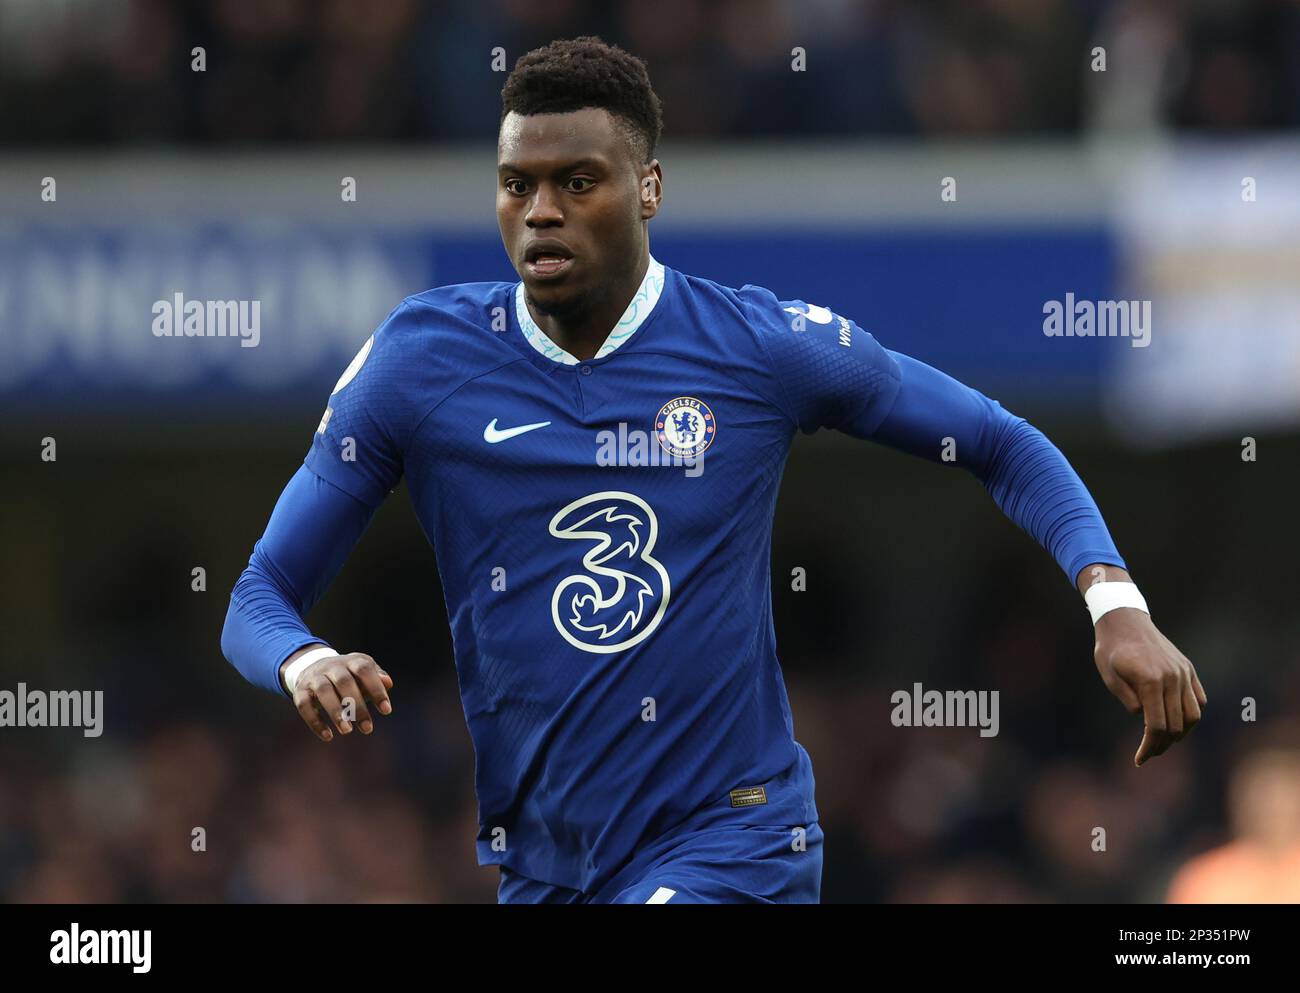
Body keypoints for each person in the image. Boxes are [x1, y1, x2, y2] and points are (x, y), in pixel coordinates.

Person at [222, 36, 1206, 904]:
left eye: (578, 181)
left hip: (735, 843)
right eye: (517, 184)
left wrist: (1110, 600)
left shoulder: (758, 348)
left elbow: (997, 438)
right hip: (547, 867)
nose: (541, 213)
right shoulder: (418, 361)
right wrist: (303, 659)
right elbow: (261, 595)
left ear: (647, 188)